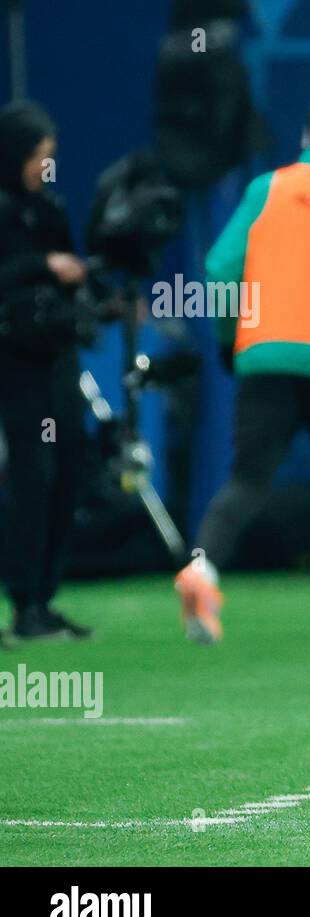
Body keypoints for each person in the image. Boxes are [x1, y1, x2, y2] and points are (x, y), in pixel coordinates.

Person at [173, 96, 310, 643]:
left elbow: (222, 266)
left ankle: (203, 569)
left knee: (247, 479)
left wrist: (231, 340)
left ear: (303, 137)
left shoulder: (265, 187)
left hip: (266, 353)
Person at [0, 102, 93, 643]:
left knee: (64, 473)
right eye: (38, 157)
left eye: (50, 157)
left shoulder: (50, 208)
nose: (45, 168)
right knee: (32, 478)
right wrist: (42, 266)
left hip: (56, 354)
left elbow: (71, 267)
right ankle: (23, 603)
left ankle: (43, 598)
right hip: (15, 364)